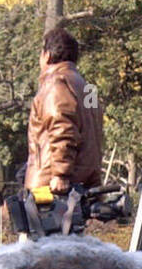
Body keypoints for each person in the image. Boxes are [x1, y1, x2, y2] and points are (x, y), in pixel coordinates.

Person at [25, 27, 103, 195]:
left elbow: (62, 128)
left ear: (47, 55)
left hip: (53, 187)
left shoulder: (56, 83)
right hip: (86, 183)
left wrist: (60, 173)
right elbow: (96, 136)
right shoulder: (88, 88)